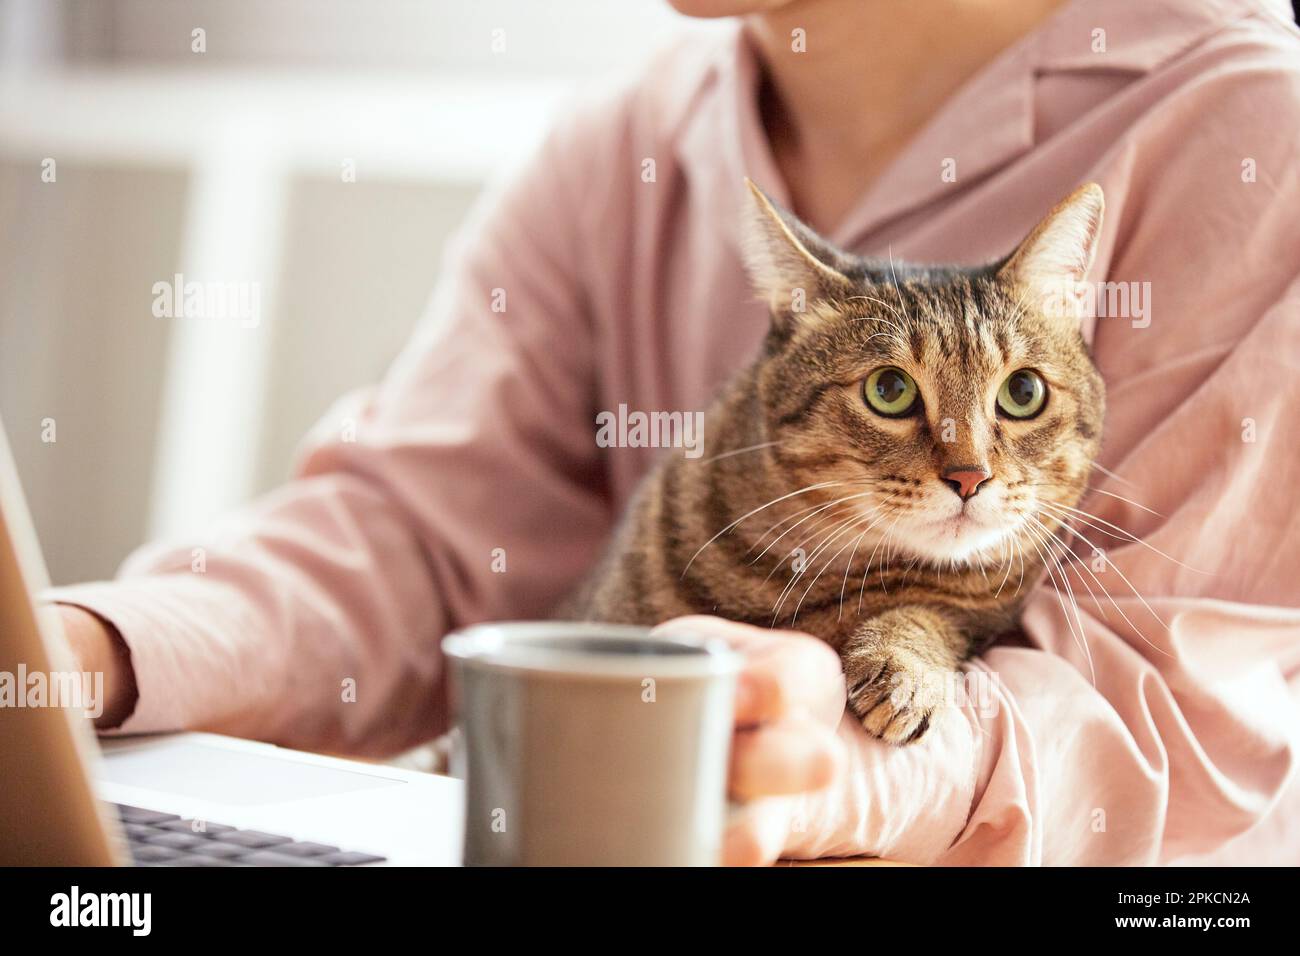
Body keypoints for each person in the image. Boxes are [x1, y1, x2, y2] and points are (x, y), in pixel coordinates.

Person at [54, 0, 1300, 864]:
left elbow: (1169, 719)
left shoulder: (1247, 126)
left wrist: (845, 756)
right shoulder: (629, 137)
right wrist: (90, 651)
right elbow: (423, 534)